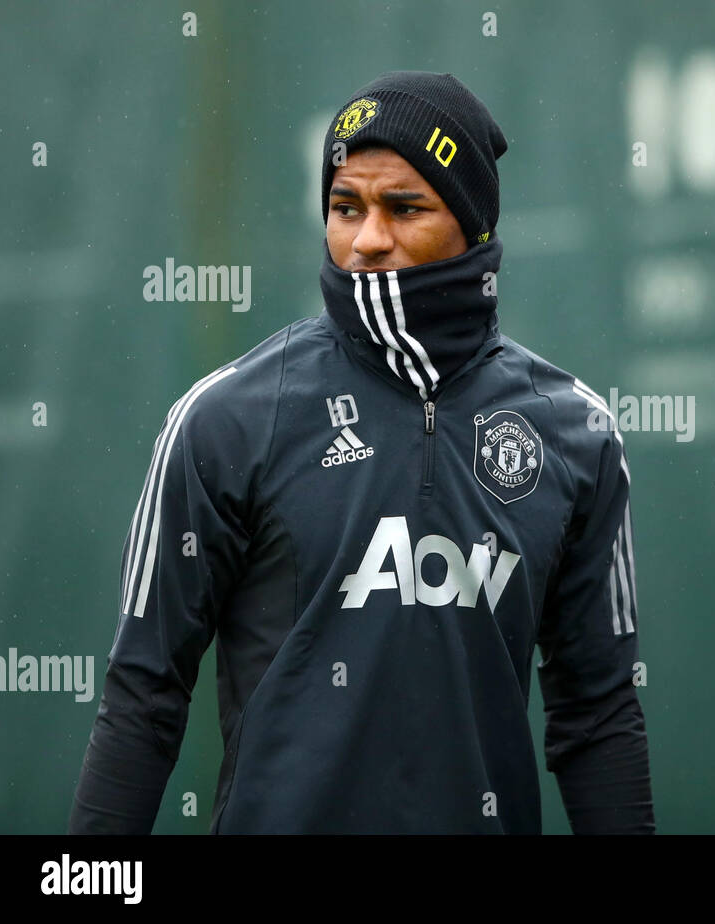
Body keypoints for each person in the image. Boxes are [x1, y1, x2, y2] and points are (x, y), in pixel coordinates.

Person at [70, 71, 654, 834]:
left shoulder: (576, 432)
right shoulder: (225, 418)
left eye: (404, 208)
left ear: (474, 226)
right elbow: (143, 696)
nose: (367, 239)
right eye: (346, 208)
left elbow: (598, 716)